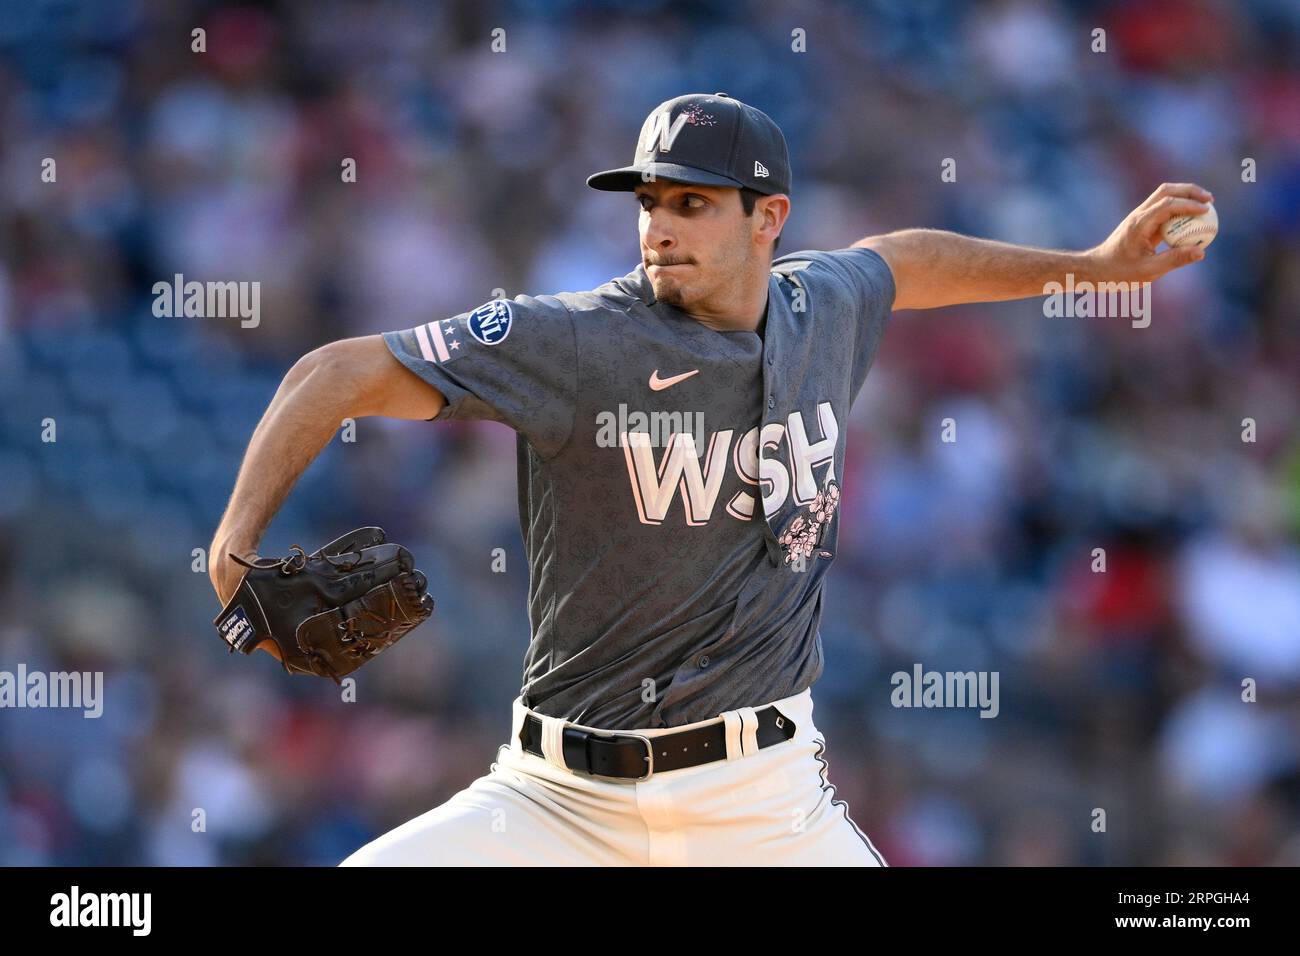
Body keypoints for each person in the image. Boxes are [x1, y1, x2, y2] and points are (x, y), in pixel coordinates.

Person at [209, 92, 1212, 866]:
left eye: (690, 202)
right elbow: (332, 373)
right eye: (648, 202)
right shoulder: (575, 339)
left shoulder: (826, 306)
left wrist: (1092, 264)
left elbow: (904, 263)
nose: (659, 226)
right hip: (557, 795)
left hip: (761, 801)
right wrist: (235, 543)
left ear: (768, 216)